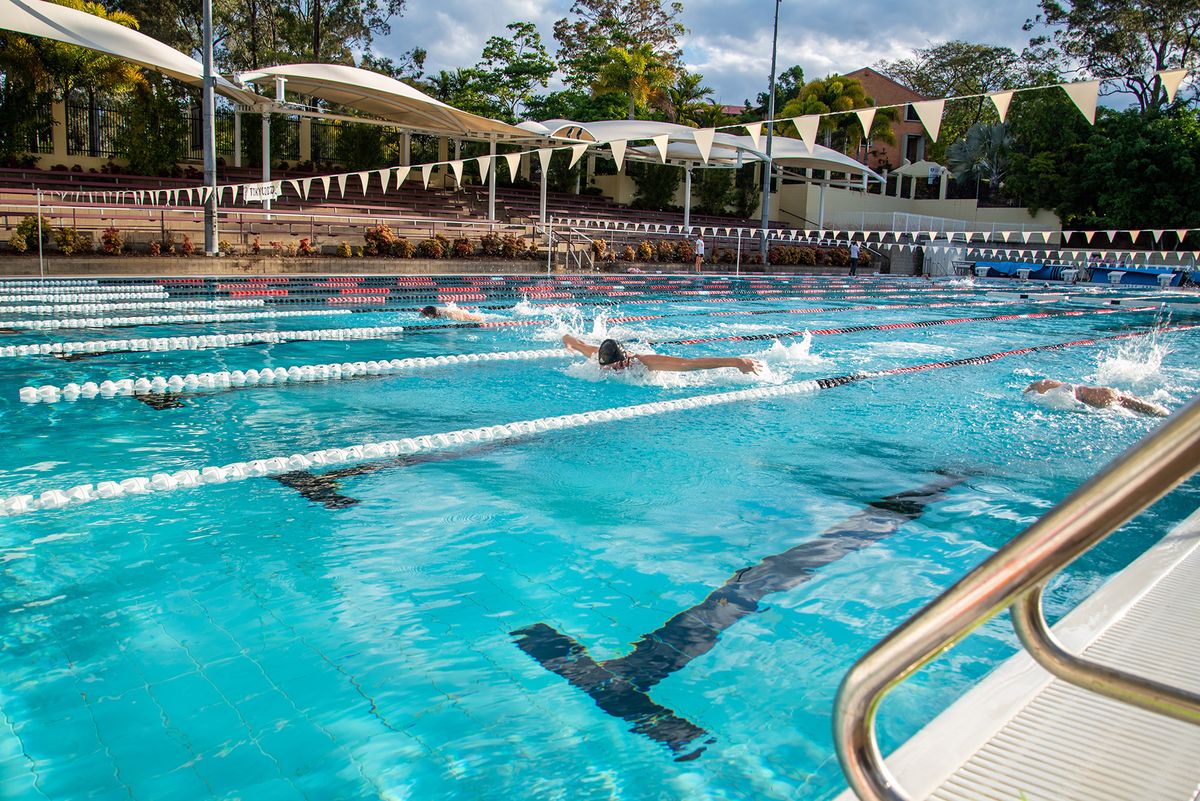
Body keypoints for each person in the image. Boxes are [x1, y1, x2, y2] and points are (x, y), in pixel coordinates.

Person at [562, 334, 762, 375]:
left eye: (619, 365)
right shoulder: (599, 357)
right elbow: (577, 343)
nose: (617, 369)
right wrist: (567, 341)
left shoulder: (645, 363)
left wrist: (736, 361)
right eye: (611, 367)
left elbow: (689, 364)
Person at [1025, 379, 1168, 417]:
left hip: (1089, 396)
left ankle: (1159, 411)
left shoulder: (1048, 388)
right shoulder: (1110, 394)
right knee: (1144, 408)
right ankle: (1159, 411)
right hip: (1087, 395)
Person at [420, 305, 485, 323]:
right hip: (458, 312)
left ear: (431, 315)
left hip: (462, 315)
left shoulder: (448, 314)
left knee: (478, 318)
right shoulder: (435, 310)